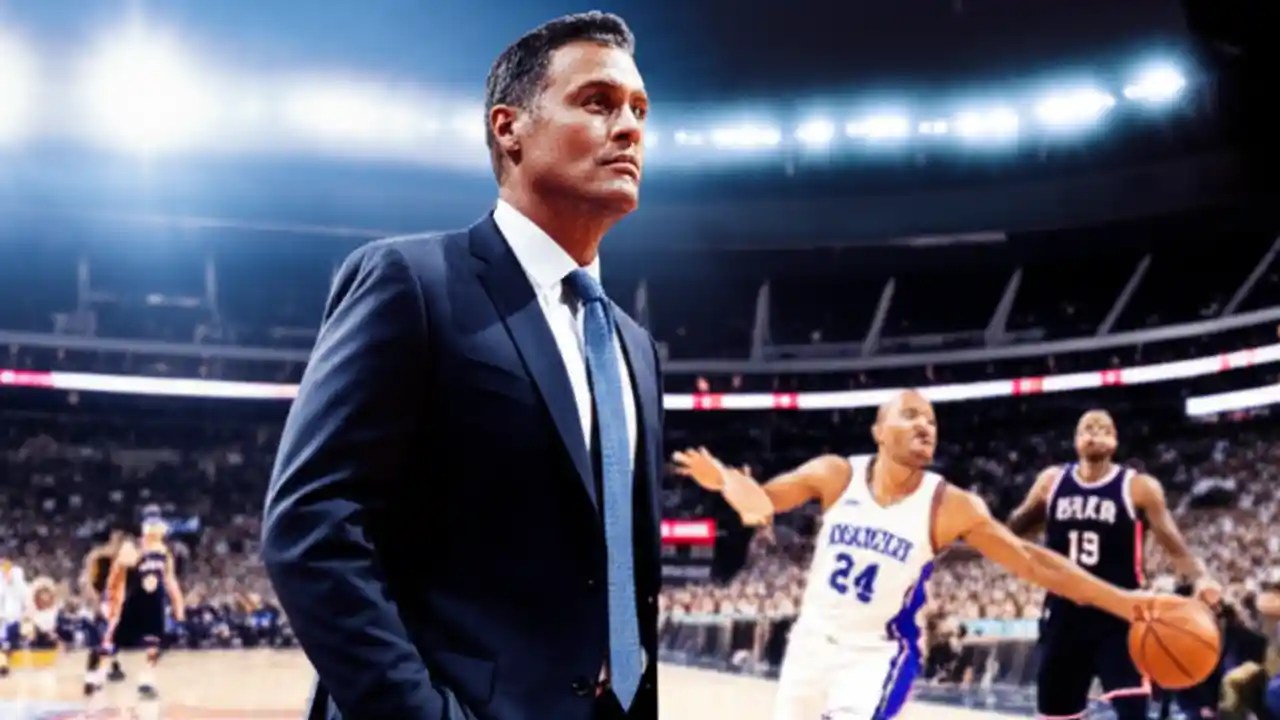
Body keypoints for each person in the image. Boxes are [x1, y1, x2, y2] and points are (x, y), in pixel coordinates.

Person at [261, 11, 661, 720]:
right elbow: (311, 523)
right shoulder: (411, 281)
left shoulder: (631, 344)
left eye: (637, 109)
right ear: (509, 127)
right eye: (597, 103)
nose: (628, 126)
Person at [671, 390, 1192, 720]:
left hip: (879, 654)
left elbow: (1036, 562)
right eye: (912, 415)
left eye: (933, 422)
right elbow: (763, 501)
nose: (926, 426)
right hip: (810, 644)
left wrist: (1124, 601)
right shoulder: (836, 473)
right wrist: (727, 485)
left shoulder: (950, 504)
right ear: (878, 430)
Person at [1006, 409, 1223, 720]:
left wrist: (1201, 578)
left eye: (1103, 428)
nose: (1095, 432)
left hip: (1121, 617)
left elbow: (1176, 547)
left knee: (1132, 713)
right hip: (1064, 615)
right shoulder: (1051, 481)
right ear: (1076, 440)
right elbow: (1013, 529)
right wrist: (1032, 506)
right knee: (1056, 715)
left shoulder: (1139, 487)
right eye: (1087, 428)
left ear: (1115, 441)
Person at [99, 511, 185, 700]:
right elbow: (115, 576)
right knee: (114, 641)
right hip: (131, 601)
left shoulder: (164, 555)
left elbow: (170, 580)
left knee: (154, 645)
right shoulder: (131, 549)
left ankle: (146, 681)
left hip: (153, 605)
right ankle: (112, 667)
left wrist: (179, 605)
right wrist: (109, 599)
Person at [80, 529, 129, 688]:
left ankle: (105, 672)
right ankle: (92, 678)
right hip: (97, 603)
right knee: (99, 642)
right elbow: (86, 582)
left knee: (109, 642)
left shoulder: (123, 561)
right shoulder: (97, 557)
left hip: (112, 604)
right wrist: (95, 602)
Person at [0, 557, 29, 677]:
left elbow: (24, 598)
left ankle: (5, 665)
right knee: (4, 643)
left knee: (10, 645)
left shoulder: (18, 582)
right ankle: (3, 666)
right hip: (4, 619)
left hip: (13, 618)